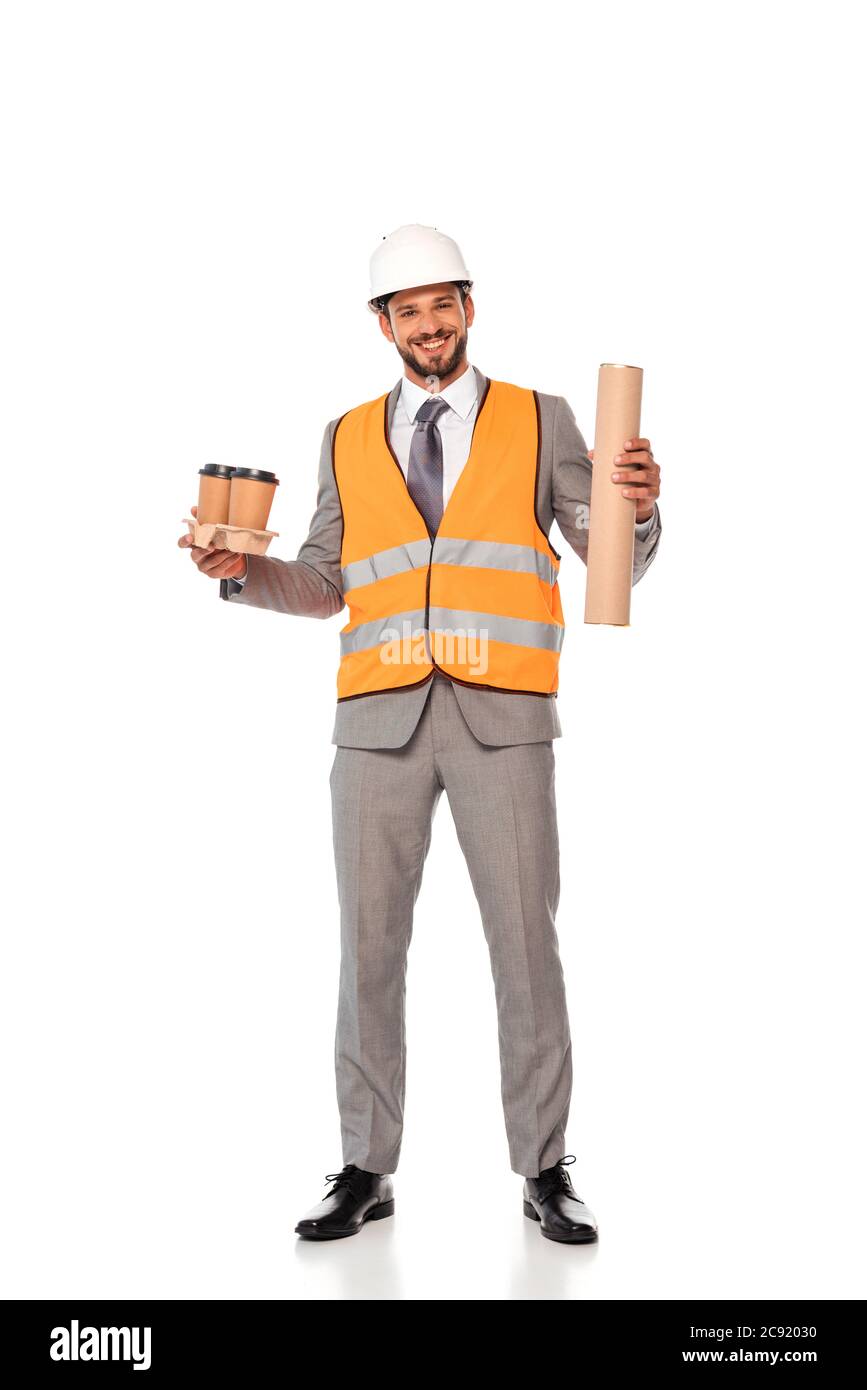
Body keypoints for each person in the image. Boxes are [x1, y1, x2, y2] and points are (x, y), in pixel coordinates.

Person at [178, 224, 662, 1244]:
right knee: (369, 948)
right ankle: (365, 1165)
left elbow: (603, 550)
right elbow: (319, 581)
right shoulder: (347, 436)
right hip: (377, 724)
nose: (428, 324)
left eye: (443, 304)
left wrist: (643, 512)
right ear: (382, 323)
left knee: (527, 948)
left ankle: (544, 1166)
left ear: (469, 307)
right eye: (408, 310)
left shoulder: (542, 418)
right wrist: (238, 572)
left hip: (504, 719)